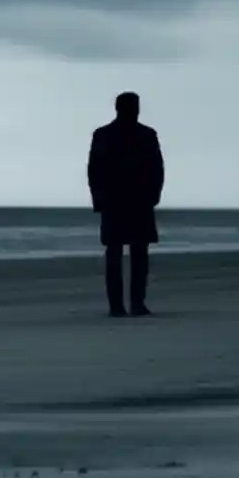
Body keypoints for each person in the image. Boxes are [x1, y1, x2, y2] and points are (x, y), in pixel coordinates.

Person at [88, 92, 165, 317]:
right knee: (123, 254)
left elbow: (157, 168)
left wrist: (154, 194)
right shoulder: (109, 135)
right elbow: (95, 169)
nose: (135, 110)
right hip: (121, 201)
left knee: (130, 254)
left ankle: (129, 304)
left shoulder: (143, 135)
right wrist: (99, 198)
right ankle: (124, 304)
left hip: (132, 201)